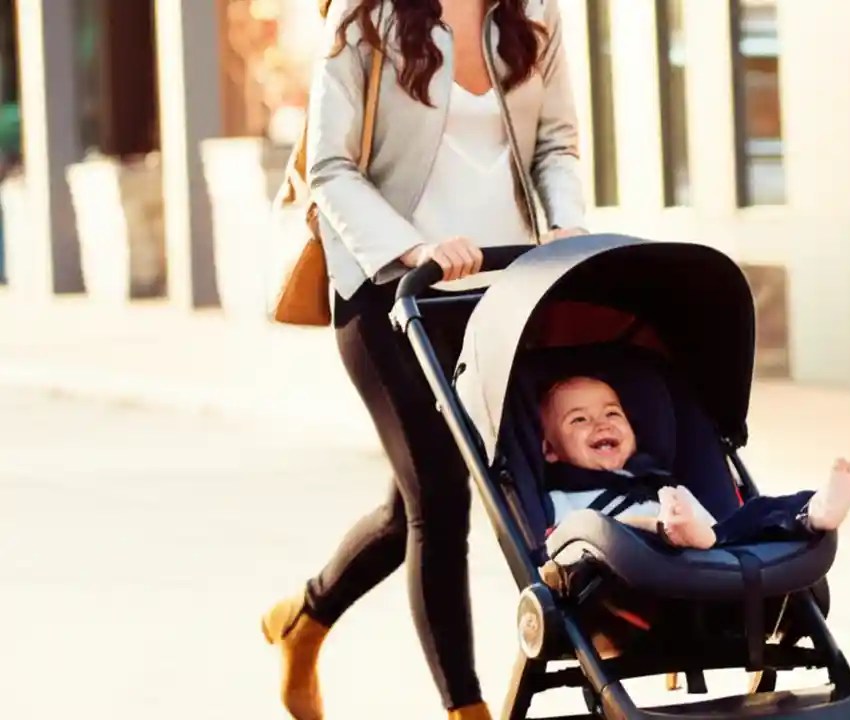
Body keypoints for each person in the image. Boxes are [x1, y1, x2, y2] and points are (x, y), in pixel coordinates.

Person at [258, 1, 587, 719]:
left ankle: (302, 620)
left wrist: (566, 225)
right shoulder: (364, 19)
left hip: (498, 290)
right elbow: (331, 167)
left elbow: (556, 142)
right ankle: (465, 709)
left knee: (413, 499)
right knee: (440, 497)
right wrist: (416, 248)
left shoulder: (534, 14)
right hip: (389, 291)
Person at [539, 377, 850, 548]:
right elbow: (554, 549)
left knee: (755, 513)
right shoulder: (558, 500)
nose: (601, 424)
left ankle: (812, 511)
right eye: (579, 419)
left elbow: (720, 530)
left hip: (703, 551)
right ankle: (669, 533)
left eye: (612, 413)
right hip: (617, 577)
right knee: (597, 530)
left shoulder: (664, 486)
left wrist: (710, 535)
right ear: (550, 450)